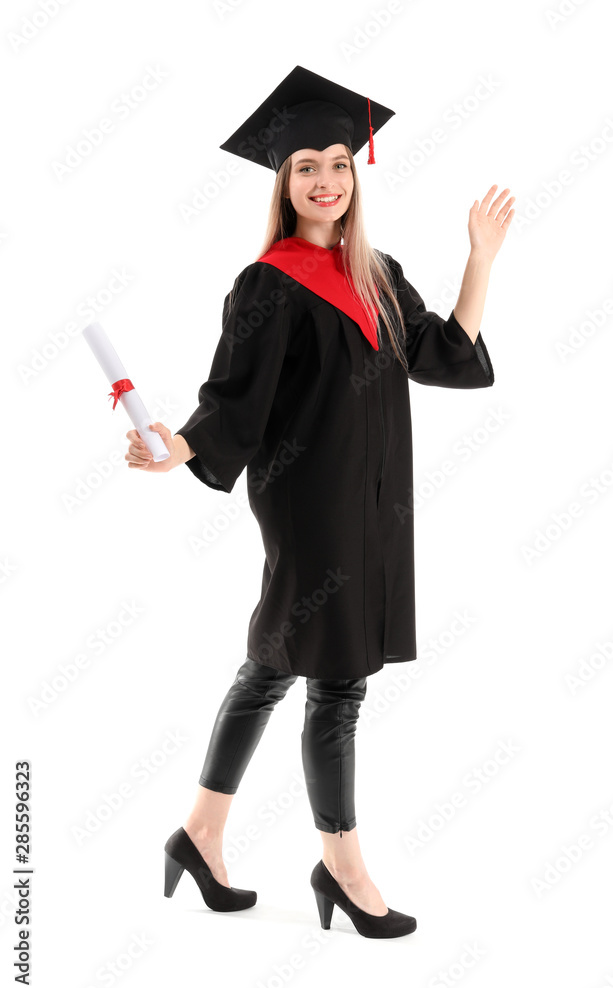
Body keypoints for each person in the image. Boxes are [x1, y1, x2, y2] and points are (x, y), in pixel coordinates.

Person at [124, 66, 514, 939]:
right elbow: (232, 402)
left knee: (272, 663)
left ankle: (199, 835)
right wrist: (177, 446)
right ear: (282, 179)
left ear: (355, 173)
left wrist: (479, 259)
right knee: (335, 682)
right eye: (306, 166)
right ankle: (343, 868)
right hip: (308, 503)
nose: (326, 180)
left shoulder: (376, 271)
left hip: (377, 504)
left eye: (339, 162)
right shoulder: (268, 283)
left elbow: (443, 354)